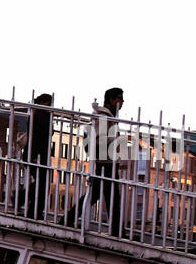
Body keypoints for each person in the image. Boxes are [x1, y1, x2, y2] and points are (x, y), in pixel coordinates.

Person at [67, 86, 126, 235]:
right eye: (119, 98)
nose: (122, 101)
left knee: (101, 196)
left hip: (106, 162)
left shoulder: (109, 116)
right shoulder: (105, 117)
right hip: (105, 163)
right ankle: (117, 231)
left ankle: (68, 219)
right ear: (112, 100)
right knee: (112, 197)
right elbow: (98, 140)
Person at [25, 93, 53, 220]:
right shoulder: (42, 115)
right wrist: (36, 156)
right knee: (43, 184)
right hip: (38, 155)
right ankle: (34, 211)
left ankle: (32, 209)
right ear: (46, 103)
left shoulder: (36, 114)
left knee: (41, 183)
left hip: (37, 154)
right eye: (50, 102)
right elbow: (37, 137)